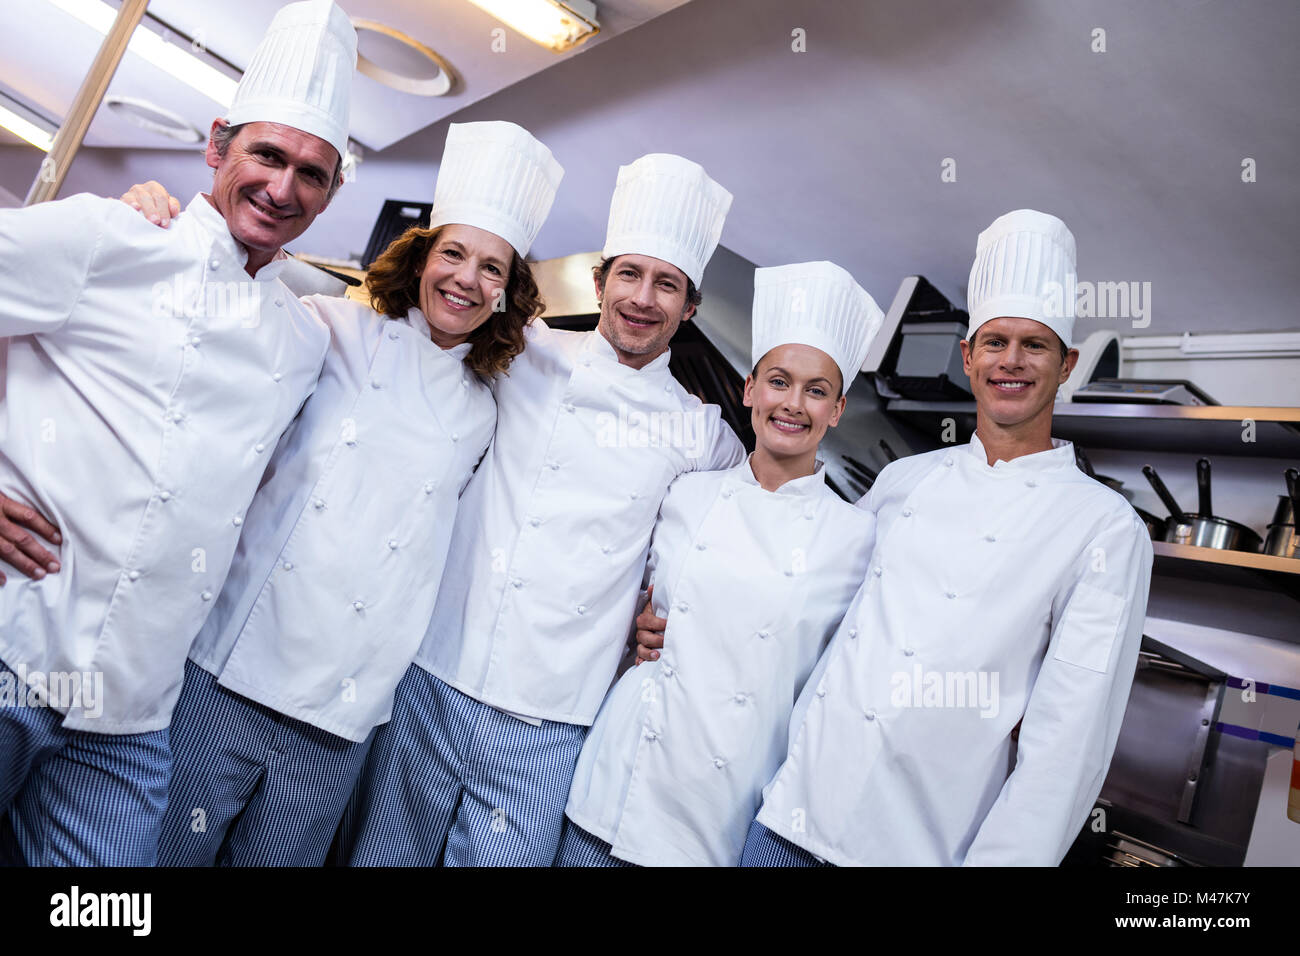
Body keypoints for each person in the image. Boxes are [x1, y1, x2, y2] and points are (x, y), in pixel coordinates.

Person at [640, 210, 1155, 866]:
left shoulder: (1106, 528)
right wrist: (672, 626)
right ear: (968, 357)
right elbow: (807, 609)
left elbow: (1066, 749)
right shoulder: (903, 481)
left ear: (1067, 365)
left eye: (1035, 345)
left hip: (915, 844)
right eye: (995, 342)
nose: (1012, 362)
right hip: (787, 816)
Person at [118, 121, 561, 865]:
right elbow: (218, 299)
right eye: (453, 252)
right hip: (231, 670)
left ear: (508, 293)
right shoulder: (326, 328)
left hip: (345, 712)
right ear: (421, 259)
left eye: (492, 268)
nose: (466, 278)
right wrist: (151, 212)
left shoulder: (488, 410)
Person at [0, 0, 356, 866]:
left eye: (311, 173)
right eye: (267, 155)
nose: (282, 188)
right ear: (217, 146)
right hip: (15, 648)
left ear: (332, 193)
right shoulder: (110, 236)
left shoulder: (308, 337)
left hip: (131, 709)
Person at [335, 153, 746, 867]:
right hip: (436, 675)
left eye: (667, 284)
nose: (644, 298)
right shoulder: (520, 353)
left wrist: (671, 617)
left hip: (555, 717)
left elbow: (725, 543)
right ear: (599, 281)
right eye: (630, 274)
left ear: (688, 306)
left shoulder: (704, 435)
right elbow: (408, 341)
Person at [558, 261, 882, 866]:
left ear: (837, 410)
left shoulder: (858, 539)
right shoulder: (688, 491)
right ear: (749, 390)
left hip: (718, 814)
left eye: (816, 391)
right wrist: (632, 625)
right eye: (779, 382)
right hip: (612, 787)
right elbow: (615, 583)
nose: (793, 404)